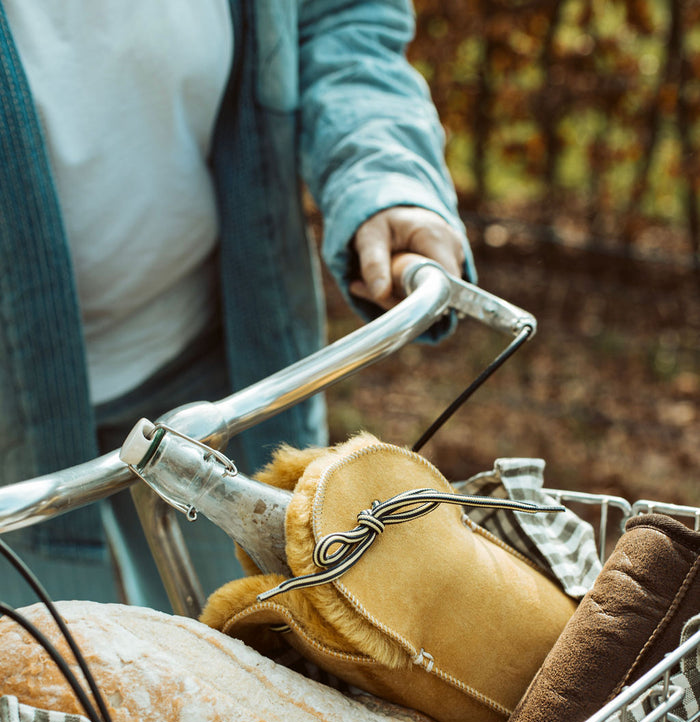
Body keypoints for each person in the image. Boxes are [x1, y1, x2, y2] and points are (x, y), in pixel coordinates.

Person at [0, 0, 474, 613]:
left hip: (225, 371)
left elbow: (339, 19)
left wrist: (385, 176)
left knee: (285, 659)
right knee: (47, 688)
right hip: (16, 448)